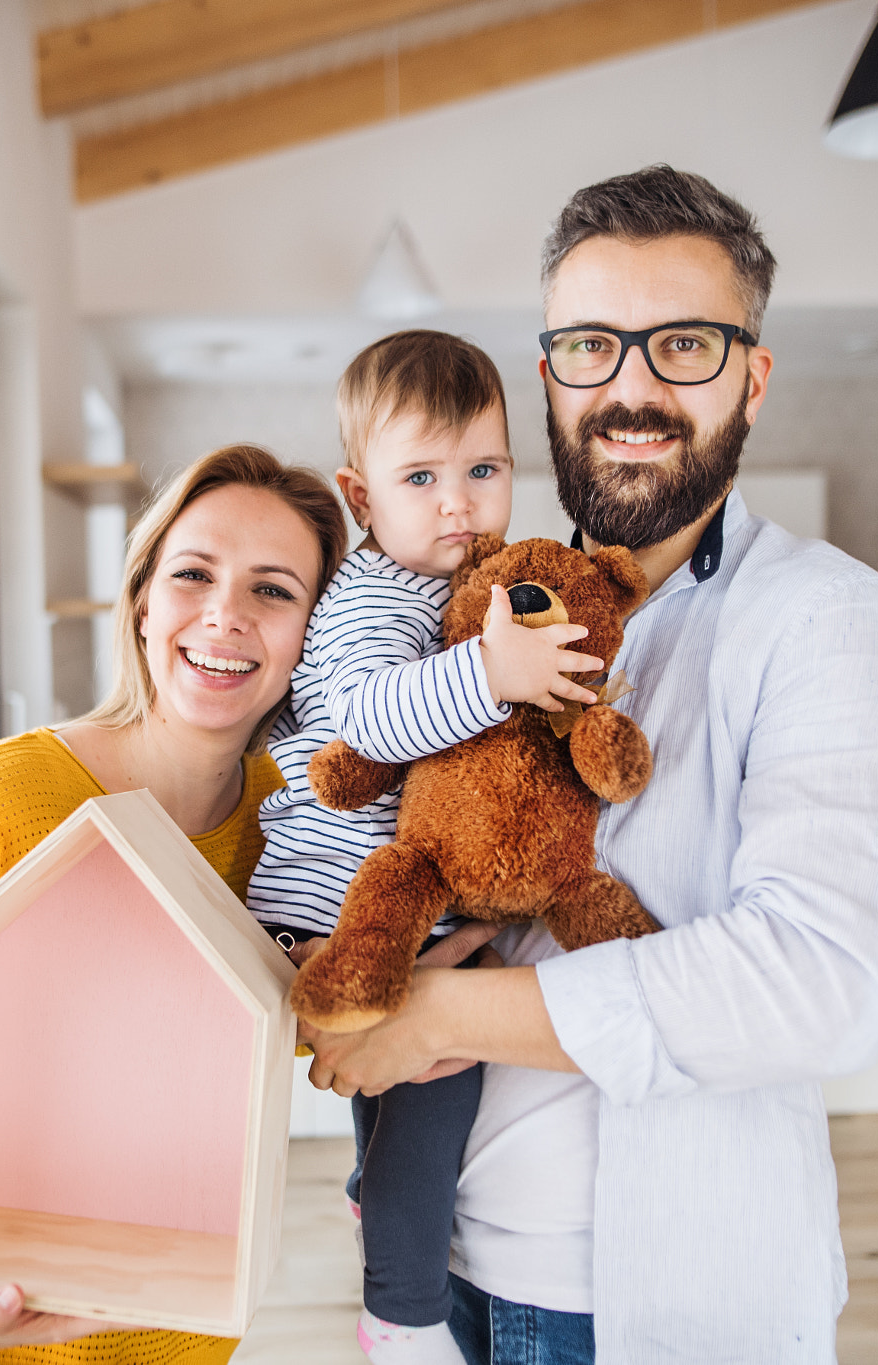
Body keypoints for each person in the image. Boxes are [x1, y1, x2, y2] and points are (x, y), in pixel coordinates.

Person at [303, 166, 878, 1364]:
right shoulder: (464, 601)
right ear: (547, 376)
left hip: (642, 1294)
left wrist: (427, 1007)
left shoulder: (823, 615)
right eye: (592, 345)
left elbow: (817, 981)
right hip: (442, 1266)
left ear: (751, 376)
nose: (630, 388)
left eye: (681, 344)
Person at [0, 443, 348, 1364]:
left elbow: (302, 1016)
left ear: (319, 633)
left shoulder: (301, 832)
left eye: (274, 590)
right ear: (142, 602)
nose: (225, 614)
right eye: (192, 574)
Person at [246, 331, 605, 1365]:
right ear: (362, 498)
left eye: (482, 471)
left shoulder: (464, 587)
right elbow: (369, 720)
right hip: (347, 907)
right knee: (433, 1093)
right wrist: (493, 673)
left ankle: (377, 1204)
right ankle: (397, 1318)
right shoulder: (368, 598)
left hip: (407, 898)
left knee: (407, 1116)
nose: (458, 503)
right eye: (421, 477)